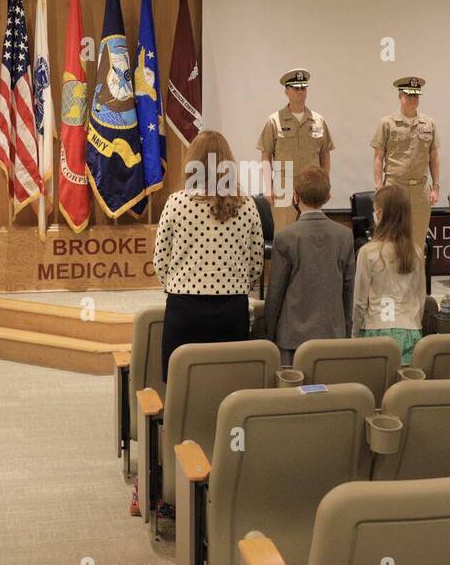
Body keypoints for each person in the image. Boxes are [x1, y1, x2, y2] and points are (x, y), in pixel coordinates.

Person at [142, 130, 264, 516]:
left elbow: (159, 262)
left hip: (185, 313)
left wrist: (183, 283)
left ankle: (172, 491)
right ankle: (230, 484)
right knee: (227, 397)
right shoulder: (248, 207)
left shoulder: (176, 204)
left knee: (180, 398)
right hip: (231, 311)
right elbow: (257, 264)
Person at [264, 166, 355, 364]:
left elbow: (275, 293)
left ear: (295, 197)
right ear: (328, 197)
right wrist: (346, 331)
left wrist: (269, 333)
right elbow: (349, 290)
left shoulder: (285, 237)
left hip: (292, 338)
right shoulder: (344, 236)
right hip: (332, 335)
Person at [352, 184, 425, 364]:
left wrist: (354, 335)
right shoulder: (416, 252)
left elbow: (359, 302)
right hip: (410, 331)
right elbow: (421, 297)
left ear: (380, 213)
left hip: (376, 329)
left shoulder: (368, 252)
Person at [256, 68, 333, 230]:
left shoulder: (318, 121)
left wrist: (325, 184)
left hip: (313, 187)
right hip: (284, 187)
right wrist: (268, 189)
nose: (300, 92)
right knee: (284, 235)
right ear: (286, 91)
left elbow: (325, 154)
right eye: (295, 88)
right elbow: (265, 156)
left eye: (303, 88)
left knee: (312, 235)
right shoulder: (274, 121)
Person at [372, 76, 440, 251]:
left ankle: (415, 278)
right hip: (395, 188)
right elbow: (378, 158)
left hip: (420, 190)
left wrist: (436, 187)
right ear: (400, 96)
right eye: (409, 95)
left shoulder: (429, 123)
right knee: (391, 240)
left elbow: (433, 157)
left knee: (417, 243)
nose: (413, 99)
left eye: (416, 96)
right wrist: (379, 187)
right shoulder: (387, 123)